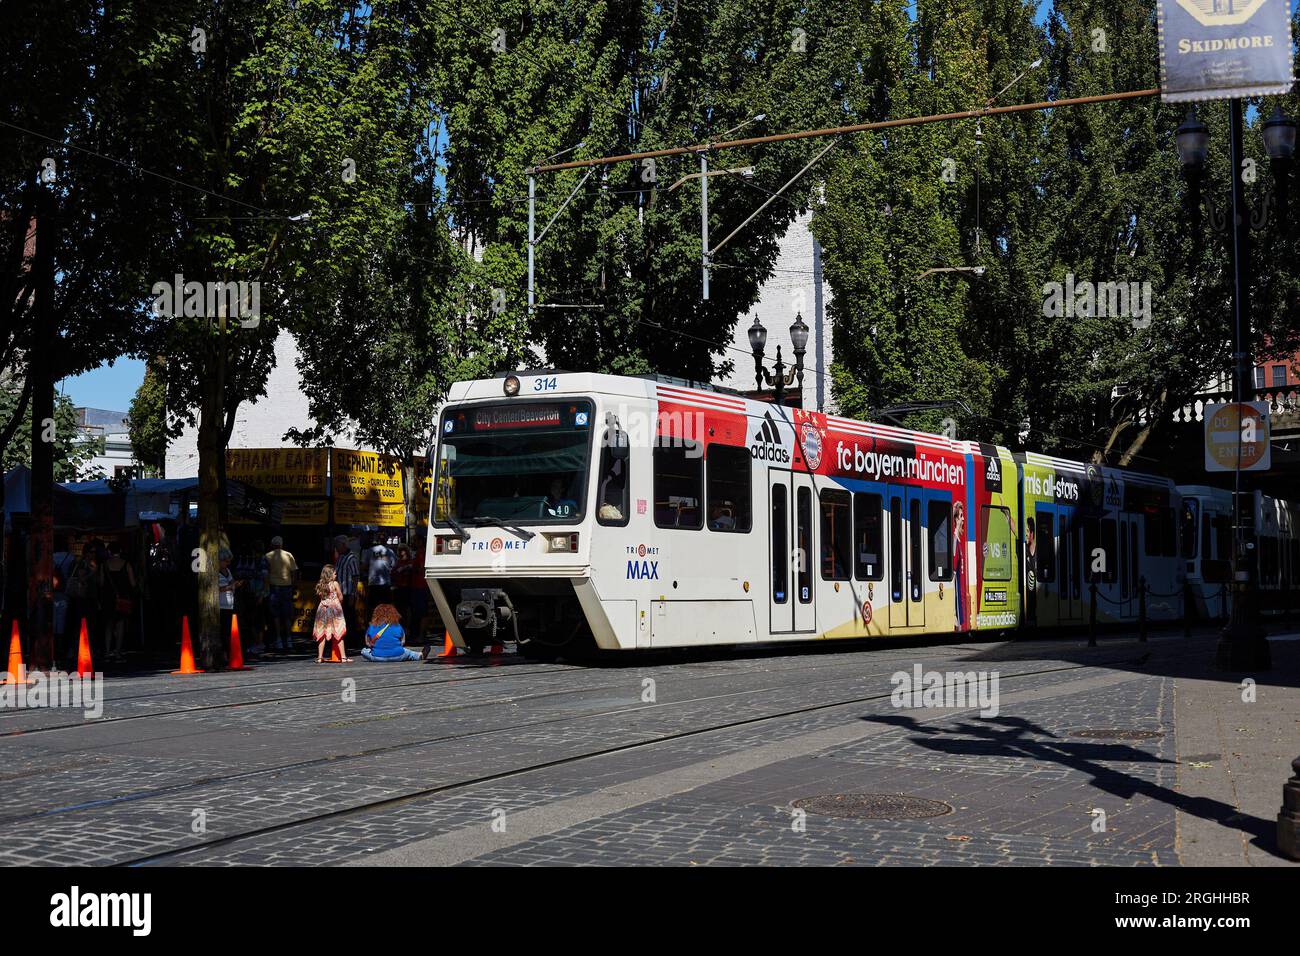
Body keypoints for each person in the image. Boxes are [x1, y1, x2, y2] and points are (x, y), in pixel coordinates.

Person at [64, 544, 102, 668]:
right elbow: (82, 579)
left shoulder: (92, 564)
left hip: (90, 598)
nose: (93, 554)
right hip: (80, 599)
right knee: (80, 625)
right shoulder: (82, 564)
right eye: (91, 552)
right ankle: (75, 651)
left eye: (95, 552)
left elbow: (99, 582)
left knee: (91, 625)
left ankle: (87, 649)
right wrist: (93, 572)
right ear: (86, 553)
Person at [99, 541, 137, 662]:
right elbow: (133, 583)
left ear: (109, 552)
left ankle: (107, 651)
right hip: (123, 597)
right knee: (120, 624)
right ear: (120, 551)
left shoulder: (104, 565)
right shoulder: (126, 564)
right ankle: (118, 652)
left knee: (108, 625)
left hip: (108, 598)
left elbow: (100, 583)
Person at [264, 535, 299, 652]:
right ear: (282, 544)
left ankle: (278, 639)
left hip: (274, 587)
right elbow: (294, 572)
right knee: (287, 615)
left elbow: (265, 573)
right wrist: (293, 585)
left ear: (272, 545)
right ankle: (288, 640)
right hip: (286, 587)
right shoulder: (288, 555)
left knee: (276, 615)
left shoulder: (267, 556)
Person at [312, 564, 350, 663]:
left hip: (323, 610)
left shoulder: (320, 585)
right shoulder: (335, 584)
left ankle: (320, 657)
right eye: (334, 573)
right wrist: (338, 603)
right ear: (330, 574)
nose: (336, 575)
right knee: (338, 632)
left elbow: (318, 598)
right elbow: (340, 596)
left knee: (322, 634)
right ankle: (343, 657)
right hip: (334, 610)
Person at [333, 535, 361, 649]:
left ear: (343, 545)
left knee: (349, 618)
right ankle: (343, 640)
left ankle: (352, 642)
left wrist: (353, 594)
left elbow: (355, 577)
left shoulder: (351, 558)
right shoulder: (340, 557)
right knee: (340, 618)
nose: (336, 548)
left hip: (347, 593)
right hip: (338, 593)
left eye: (337, 545)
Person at [363, 535, 397, 607]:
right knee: (385, 607)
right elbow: (394, 566)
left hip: (373, 583)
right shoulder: (390, 552)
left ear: (377, 540)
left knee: (373, 606)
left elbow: (364, 566)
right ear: (386, 541)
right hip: (385, 583)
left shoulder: (370, 550)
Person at [217, 548, 238, 650]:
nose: (228, 563)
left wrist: (234, 585)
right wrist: (230, 586)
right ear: (219, 560)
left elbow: (232, 581)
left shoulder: (227, 570)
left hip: (230, 605)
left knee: (229, 630)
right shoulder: (215, 573)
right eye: (226, 561)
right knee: (223, 631)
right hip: (221, 606)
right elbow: (216, 589)